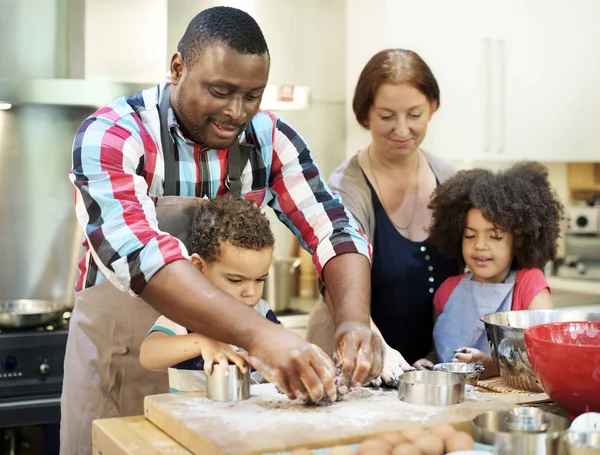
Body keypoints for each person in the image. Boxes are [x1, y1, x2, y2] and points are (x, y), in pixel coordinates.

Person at [62, 6, 383, 455]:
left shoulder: (270, 141)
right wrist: (259, 334)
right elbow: (143, 257)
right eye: (220, 91)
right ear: (178, 68)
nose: (237, 112)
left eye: (253, 95)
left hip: (218, 386)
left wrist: (352, 320)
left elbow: (333, 229)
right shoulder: (114, 134)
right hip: (119, 363)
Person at [307, 49, 462, 386]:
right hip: (354, 365)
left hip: (429, 369)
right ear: (366, 115)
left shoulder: (449, 180)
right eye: (387, 115)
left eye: (415, 114)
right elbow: (337, 279)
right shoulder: (345, 187)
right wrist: (380, 349)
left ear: (432, 109)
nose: (402, 129)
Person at [413, 162, 563, 378]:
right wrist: (429, 361)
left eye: (495, 236)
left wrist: (495, 366)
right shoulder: (447, 291)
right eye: (470, 235)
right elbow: (441, 352)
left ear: (519, 239)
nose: (480, 245)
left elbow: (549, 358)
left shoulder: (530, 286)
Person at [140, 197, 279, 392]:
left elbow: (278, 351)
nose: (251, 293)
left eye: (260, 279)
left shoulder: (261, 312)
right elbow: (148, 355)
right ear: (199, 268)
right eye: (236, 280)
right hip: (188, 419)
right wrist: (202, 342)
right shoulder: (183, 315)